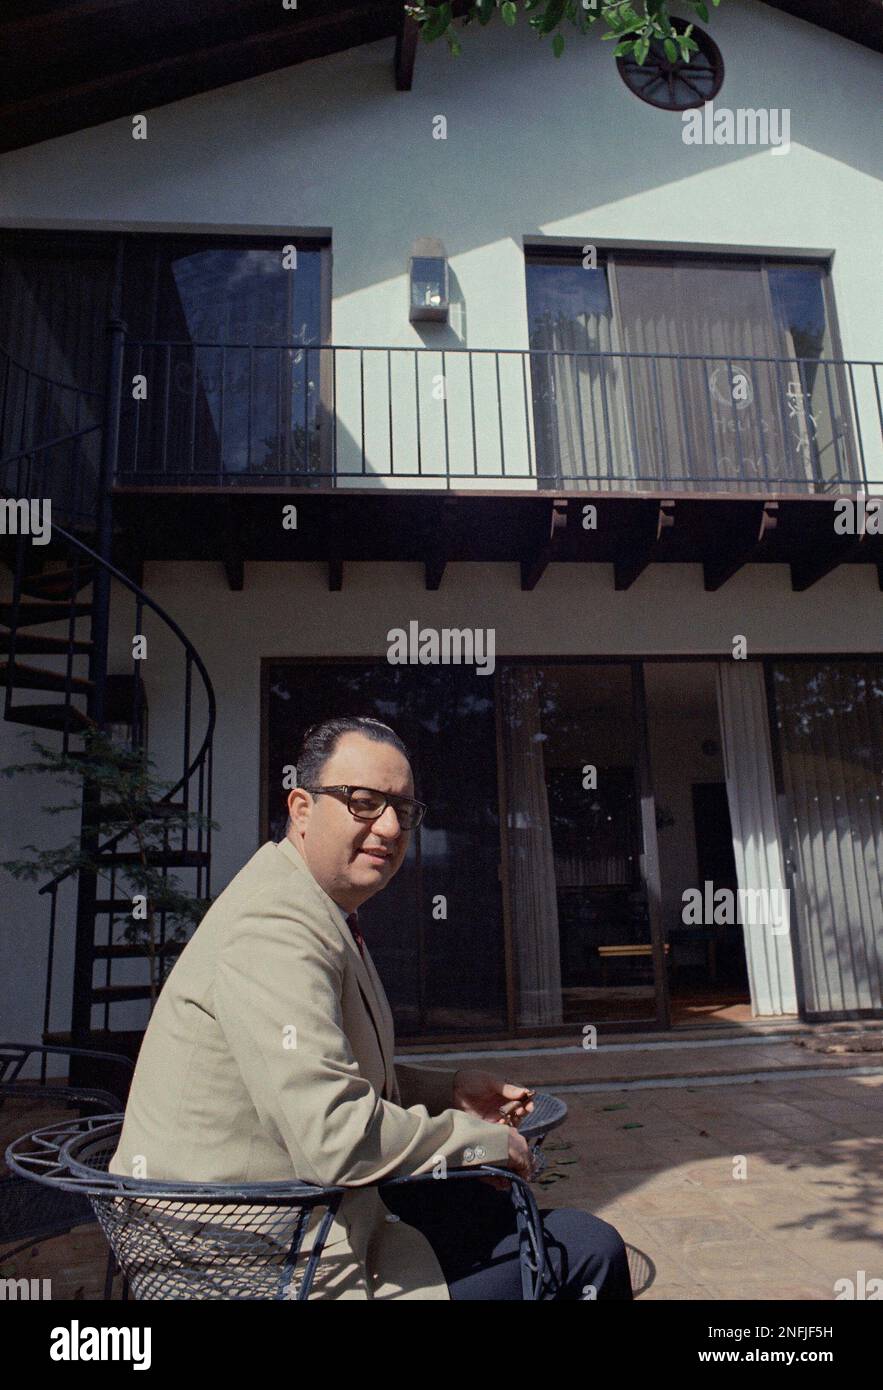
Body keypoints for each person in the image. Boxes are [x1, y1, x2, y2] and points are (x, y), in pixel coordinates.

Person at [110, 714, 632, 1300]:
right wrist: (483, 1141)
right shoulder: (274, 928)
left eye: (403, 810)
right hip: (256, 1263)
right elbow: (334, 1135)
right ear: (301, 809)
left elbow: (335, 1073)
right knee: (587, 1250)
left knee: (509, 1216)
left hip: (307, 1213)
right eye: (363, 801)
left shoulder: (315, 907)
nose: (388, 826)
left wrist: (451, 1091)